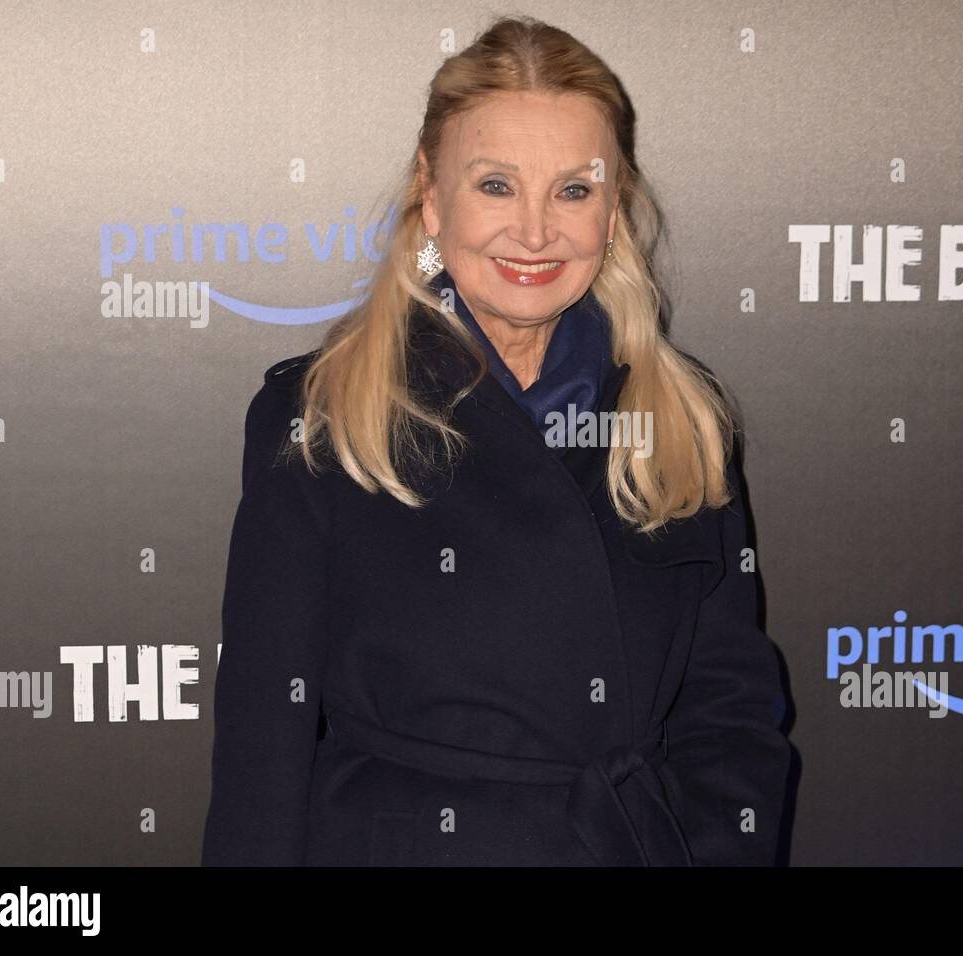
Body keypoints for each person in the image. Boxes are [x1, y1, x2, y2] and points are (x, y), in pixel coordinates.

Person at [201, 15, 791, 867]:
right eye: (496, 186)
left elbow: (729, 712)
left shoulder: (681, 419)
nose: (536, 233)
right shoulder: (323, 414)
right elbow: (264, 737)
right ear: (430, 195)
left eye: (574, 190)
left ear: (615, 209)